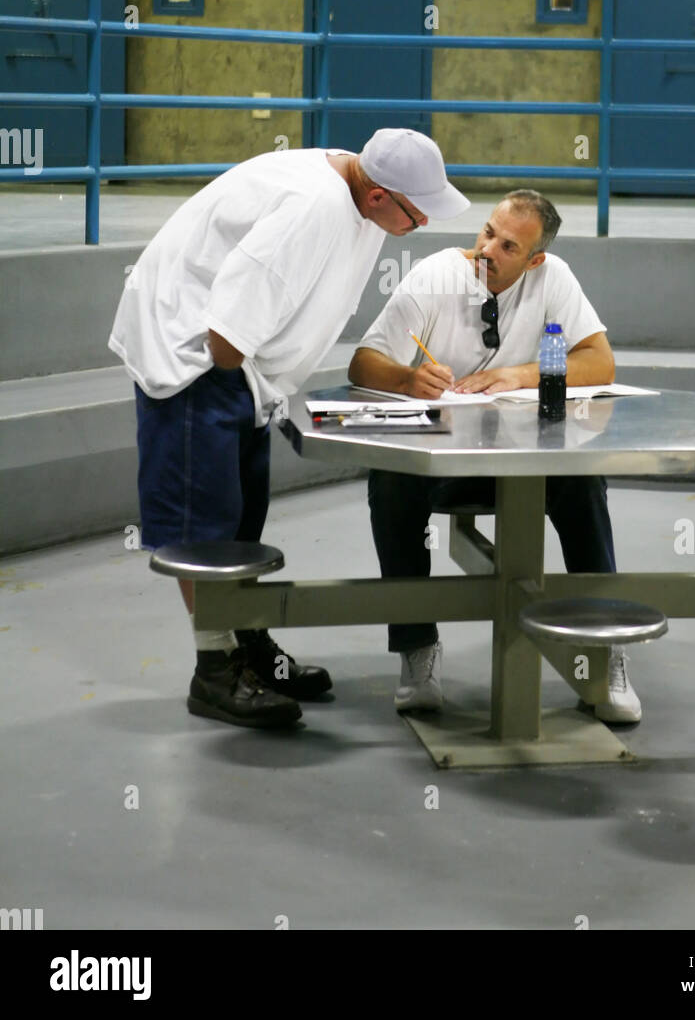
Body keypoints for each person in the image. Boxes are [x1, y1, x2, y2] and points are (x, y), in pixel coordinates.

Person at [108, 129, 470, 730]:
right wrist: (250, 373)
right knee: (209, 529)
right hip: (196, 360)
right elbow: (226, 339)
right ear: (380, 196)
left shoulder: (356, 196)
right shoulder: (314, 210)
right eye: (415, 214)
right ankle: (215, 669)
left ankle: (247, 647)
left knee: (244, 516)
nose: (419, 225)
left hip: (244, 371)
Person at [348, 188, 641, 724]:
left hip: (528, 464)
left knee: (584, 481)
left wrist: (519, 375)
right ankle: (416, 649)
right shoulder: (436, 275)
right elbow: (363, 363)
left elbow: (600, 362)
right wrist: (408, 378)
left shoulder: (554, 279)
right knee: (390, 482)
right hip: (448, 465)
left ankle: (604, 653)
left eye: (508, 246)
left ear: (535, 260)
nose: (487, 250)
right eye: (487, 232)